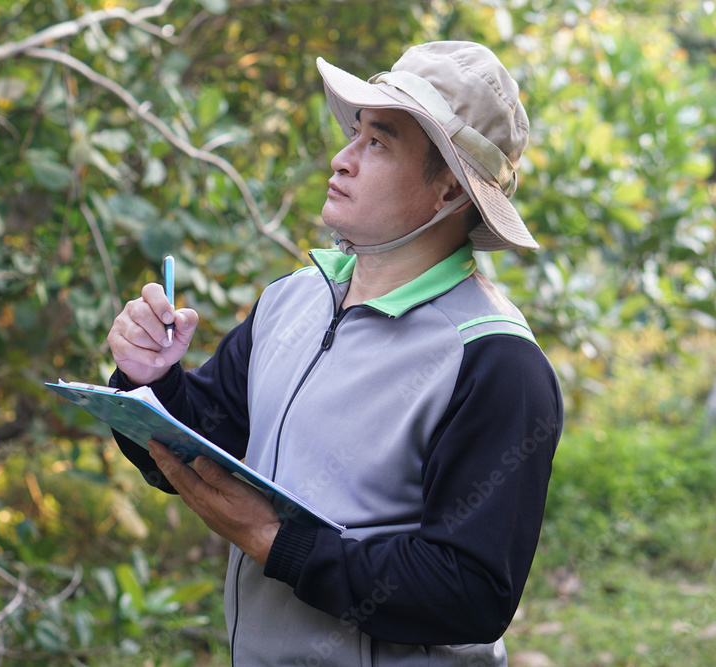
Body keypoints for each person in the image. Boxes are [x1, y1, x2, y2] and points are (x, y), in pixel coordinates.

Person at [106, 41, 563, 666]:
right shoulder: (292, 301)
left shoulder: (495, 360)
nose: (341, 158)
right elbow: (195, 447)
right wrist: (149, 380)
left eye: (379, 143)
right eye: (356, 133)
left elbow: (471, 592)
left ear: (451, 194)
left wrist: (273, 541)